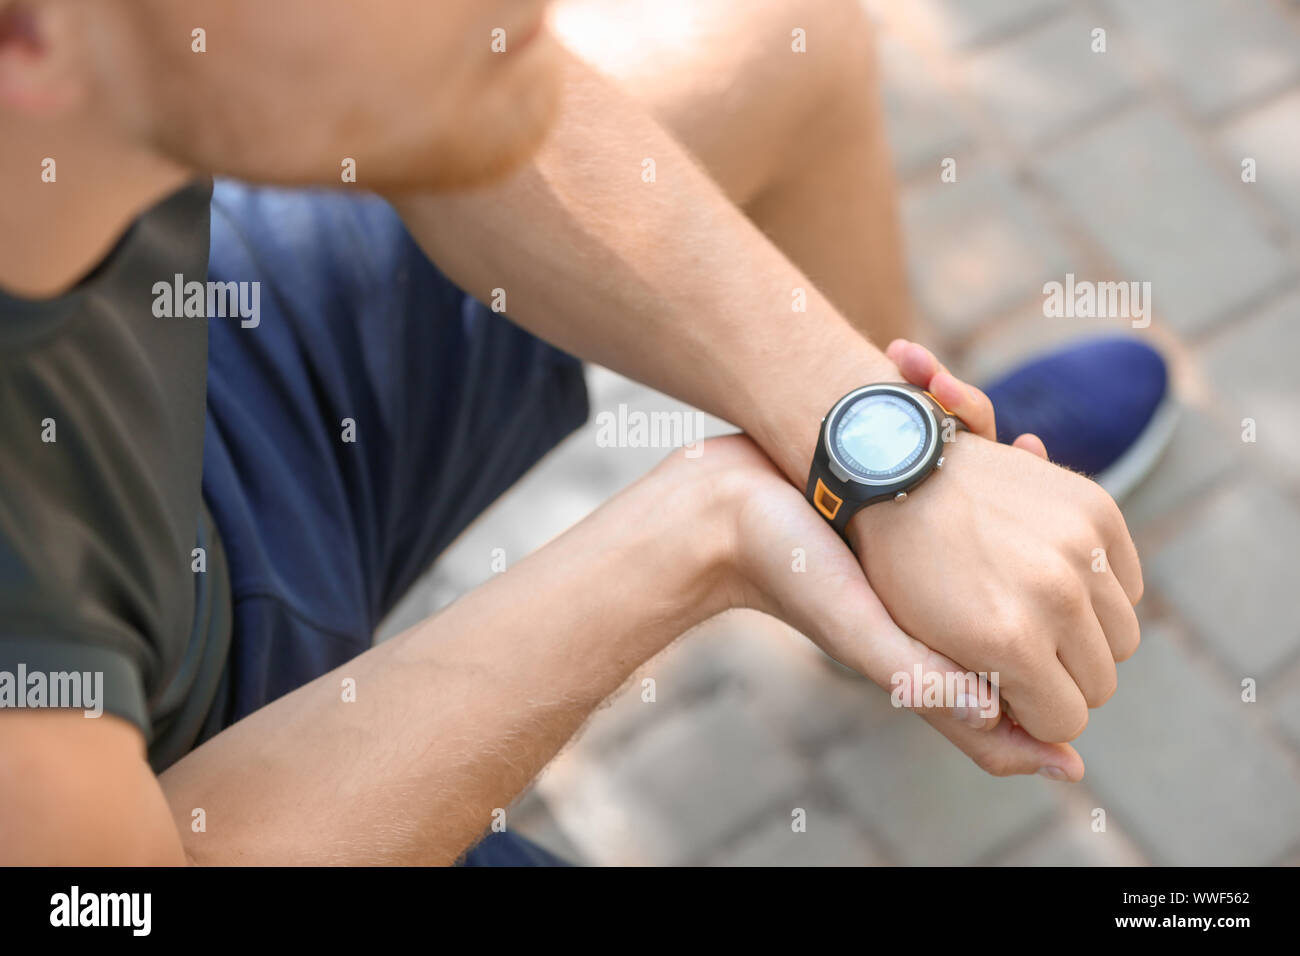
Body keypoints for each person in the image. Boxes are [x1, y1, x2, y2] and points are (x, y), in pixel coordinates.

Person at [0, 0, 1159, 865]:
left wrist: (874, 442)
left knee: (781, 39)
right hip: (170, 800)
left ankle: (906, 569)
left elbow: (473, 112)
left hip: (205, 378)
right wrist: (702, 530)